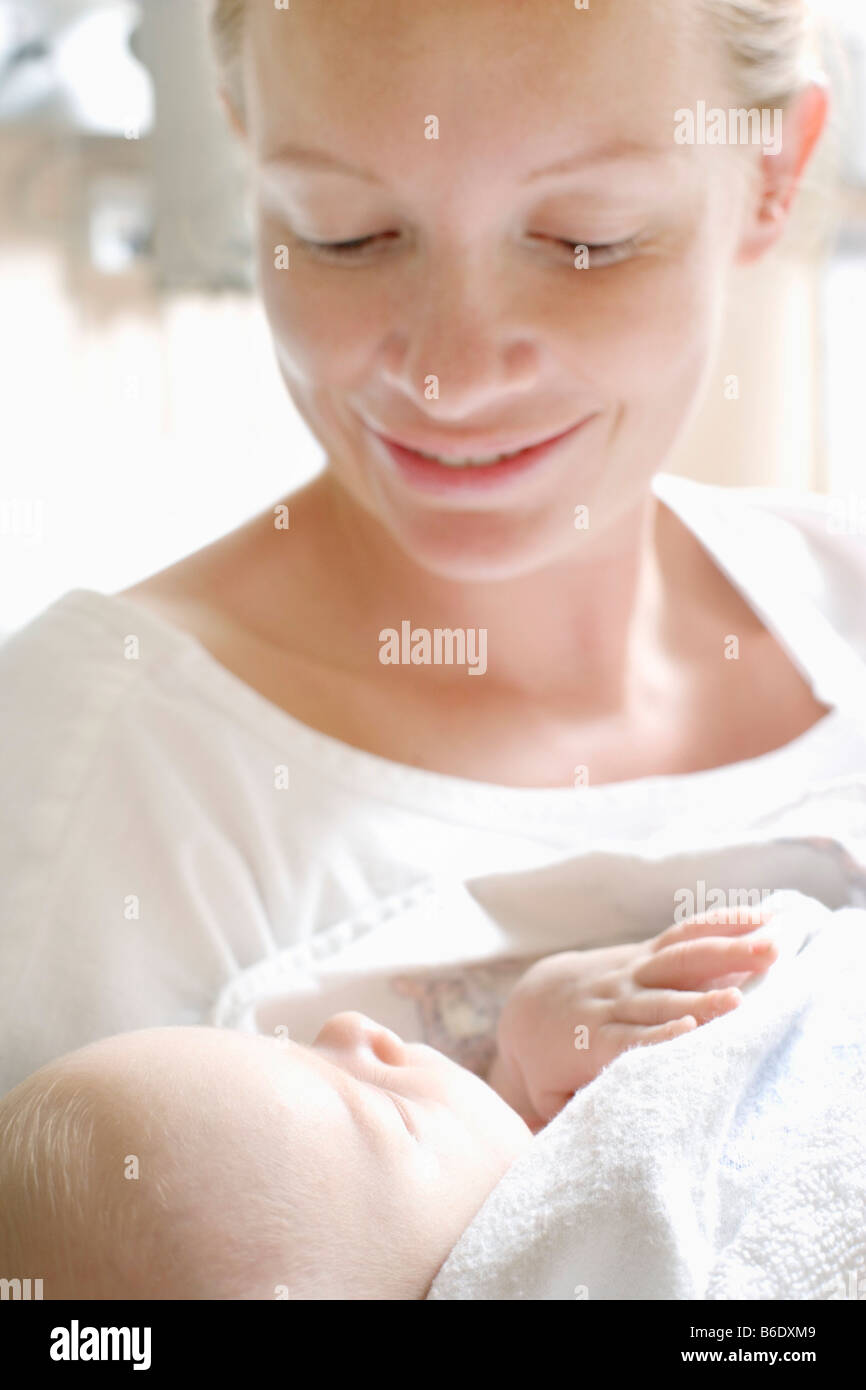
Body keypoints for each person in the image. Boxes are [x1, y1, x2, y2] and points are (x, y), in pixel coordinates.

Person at [1, 0, 864, 1107]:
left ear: (771, 173)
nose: (450, 375)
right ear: (244, 150)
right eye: (342, 231)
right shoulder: (106, 785)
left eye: (582, 239)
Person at [0, 909, 777, 1299]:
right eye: (385, 1114)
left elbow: (490, 1178)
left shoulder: (458, 1207)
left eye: (296, 1046)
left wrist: (527, 1049)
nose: (353, 1027)